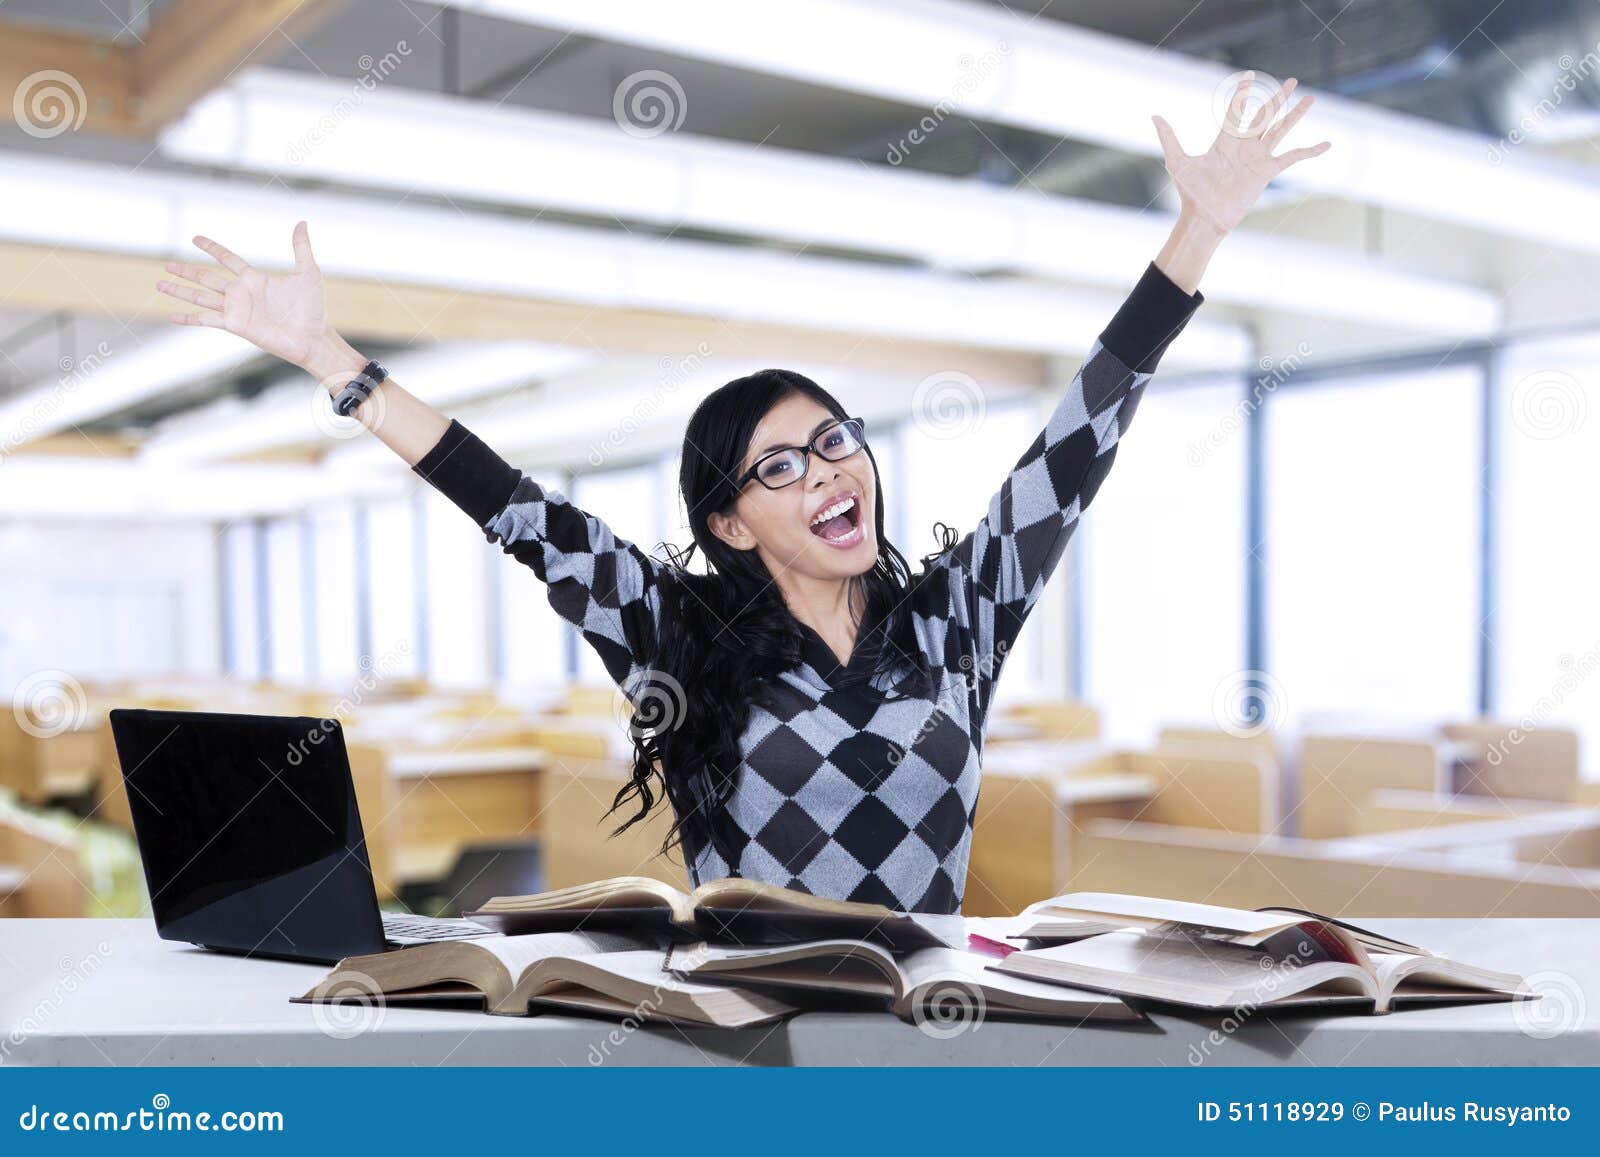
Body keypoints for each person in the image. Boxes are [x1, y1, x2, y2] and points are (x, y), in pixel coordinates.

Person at [155, 74, 1329, 914]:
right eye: (782, 465)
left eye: (834, 441)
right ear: (728, 520)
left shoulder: (957, 621)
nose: (828, 471)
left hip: (922, 1037)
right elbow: (512, 507)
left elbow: (1081, 437)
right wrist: (334, 365)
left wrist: (1197, 234)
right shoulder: (673, 636)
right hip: (737, 1043)